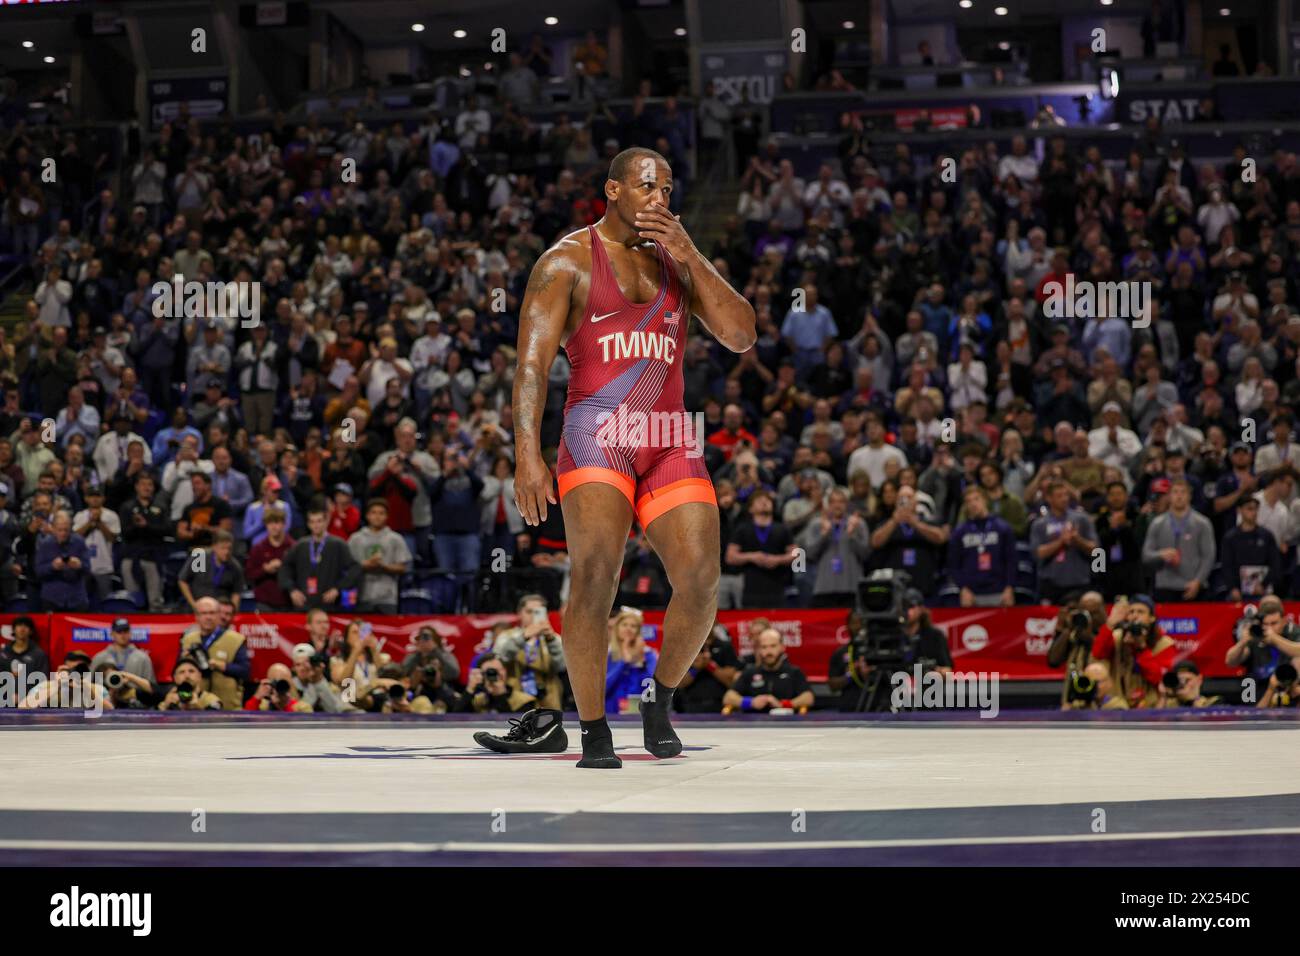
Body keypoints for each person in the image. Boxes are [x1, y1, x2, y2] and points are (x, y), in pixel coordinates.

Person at [505, 146, 756, 768]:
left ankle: (659, 699)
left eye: (668, 189)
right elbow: (533, 364)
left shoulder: (677, 259)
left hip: (668, 432)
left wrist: (691, 253)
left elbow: (742, 335)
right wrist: (526, 454)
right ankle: (593, 728)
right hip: (596, 433)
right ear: (613, 190)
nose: (660, 199)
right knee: (595, 575)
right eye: (649, 187)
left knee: (700, 580)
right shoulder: (565, 260)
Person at [278, 501, 361, 610]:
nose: (315, 525)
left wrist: (338, 588)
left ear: (326, 521)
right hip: (304, 605)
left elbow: (355, 568)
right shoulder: (301, 545)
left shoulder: (337, 544)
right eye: (312, 522)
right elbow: (285, 567)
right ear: (308, 524)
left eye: (319, 521)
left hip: (330, 605)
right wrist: (292, 590)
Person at [492, 593, 567, 710]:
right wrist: (523, 637)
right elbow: (500, 658)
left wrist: (550, 640)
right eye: (529, 611)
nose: (533, 616)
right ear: (519, 613)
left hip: (548, 701)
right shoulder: (507, 636)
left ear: (546, 614)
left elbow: (562, 667)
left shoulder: (554, 639)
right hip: (515, 701)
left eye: (538, 612)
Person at [177, 595, 249, 710]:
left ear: (218, 615)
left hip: (228, 709)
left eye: (212, 613)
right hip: (195, 708)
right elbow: (177, 673)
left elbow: (245, 671)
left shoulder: (236, 639)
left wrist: (222, 666)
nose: (208, 617)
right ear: (197, 617)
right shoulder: (187, 640)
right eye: (204, 613)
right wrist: (185, 661)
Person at [722, 627, 814, 713]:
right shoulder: (750, 672)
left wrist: (783, 704)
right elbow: (728, 697)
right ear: (759, 650)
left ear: (782, 647)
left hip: (786, 724)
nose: (768, 651)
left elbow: (808, 697)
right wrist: (751, 702)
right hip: (753, 725)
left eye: (773, 646)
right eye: (764, 647)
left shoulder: (794, 672)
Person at [347, 498, 410, 614]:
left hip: (388, 598)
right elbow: (347, 567)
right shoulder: (355, 539)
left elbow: (402, 567)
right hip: (362, 597)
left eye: (381, 513)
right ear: (367, 516)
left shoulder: (395, 539)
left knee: (387, 631)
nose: (377, 516)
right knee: (364, 631)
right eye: (374, 513)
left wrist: (383, 566)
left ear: (387, 516)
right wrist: (363, 565)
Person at [674, 619, 742, 713]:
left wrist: (710, 666)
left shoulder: (725, 647)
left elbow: (732, 681)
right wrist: (695, 669)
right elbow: (678, 684)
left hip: (720, 707)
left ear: (715, 621)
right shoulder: (687, 648)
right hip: (691, 706)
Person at [177, 529, 245, 611]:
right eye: (223, 548)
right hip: (197, 608)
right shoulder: (200, 558)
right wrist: (193, 604)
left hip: (220, 612)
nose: (226, 552)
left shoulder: (234, 567)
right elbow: (182, 580)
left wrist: (232, 612)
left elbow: (236, 593)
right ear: (214, 547)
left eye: (229, 549)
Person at [35, 511, 90, 611]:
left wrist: (79, 565)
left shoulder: (79, 542)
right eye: (59, 530)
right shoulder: (45, 545)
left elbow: (88, 568)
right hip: (52, 599)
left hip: (76, 599)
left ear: (70, 528)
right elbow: (38, 571)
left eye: (66, 530)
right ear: (53, 528)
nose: (63, 533)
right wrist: (52, 566)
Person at [245, 506, 295, 610]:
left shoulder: (293, 547)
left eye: (277, 522)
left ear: (284, 524)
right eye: (270, 523)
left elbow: (300, 573)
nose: (274, 527)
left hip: (288, 603)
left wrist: (284, 568)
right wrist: (265, 570)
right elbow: (249, 574)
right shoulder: (258, 548)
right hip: (264, 603)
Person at [89, 617, 158, 690]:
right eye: (119, 632)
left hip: (136, 698)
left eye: (125, 631)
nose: (122, 635)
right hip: (106, 698)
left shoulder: (142, 658)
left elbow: (152, 688)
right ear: (112, 634)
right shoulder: (100, 657)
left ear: (130, 633)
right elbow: (90, 684)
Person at [158, 657, 223, 710]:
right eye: (182, 672)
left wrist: (198, 709)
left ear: (200, 676)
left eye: (191, 671)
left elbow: (214, 721)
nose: (187, 676)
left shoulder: (211, 700)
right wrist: (165, 708)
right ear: (174, 678)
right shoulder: (170, 699)